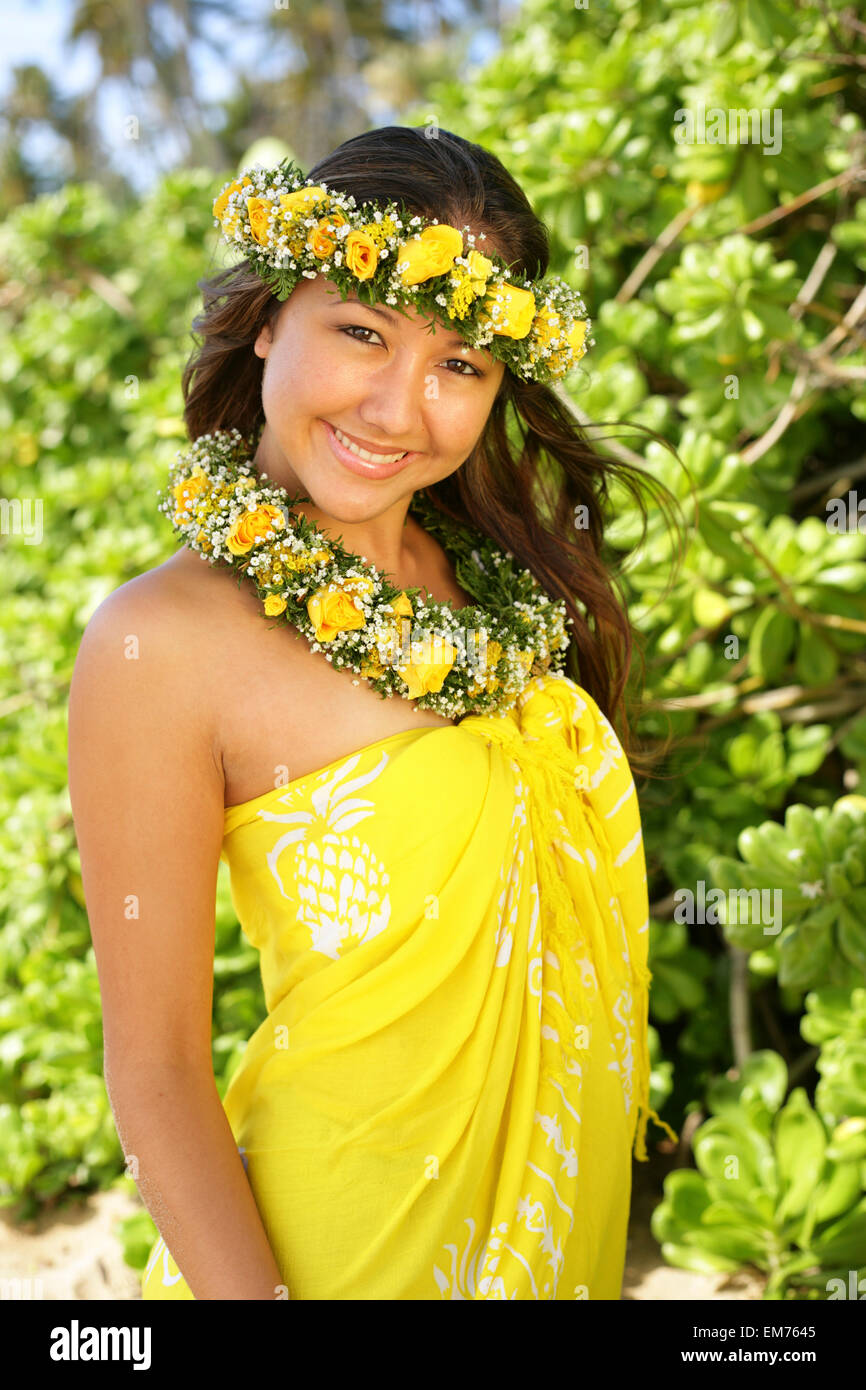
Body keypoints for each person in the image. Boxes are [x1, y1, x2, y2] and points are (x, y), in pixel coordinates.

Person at [67, 125, 679, 1302]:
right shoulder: (160, 646)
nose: (402, 408)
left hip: (558, 1239)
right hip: (335, 1250)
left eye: (461, 366)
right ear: (267, 318)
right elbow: (152, 1073)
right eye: (361, 332)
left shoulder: (498, 595)